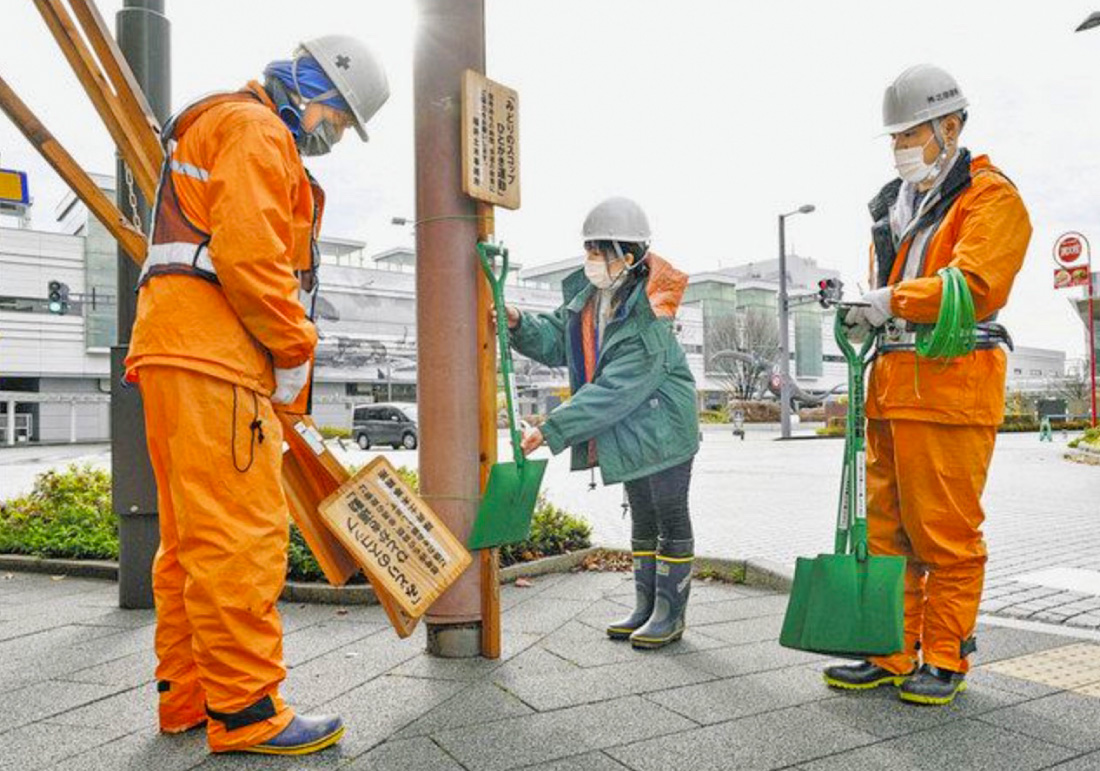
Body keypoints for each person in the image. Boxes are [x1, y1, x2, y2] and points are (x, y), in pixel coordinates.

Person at [125, 36, 389, 754]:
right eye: (339, 118)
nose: (335, 135)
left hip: (173, 351)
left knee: (190, 541)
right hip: (219, 360)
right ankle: (246, 710)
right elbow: (252, 260)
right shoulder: (257, 130)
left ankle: (190, 696)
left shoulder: (218, 122)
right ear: (312, 87)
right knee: (240, 538)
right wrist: (297, 346)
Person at [823, 64, 1031, 705]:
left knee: (944, 533)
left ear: (950, 127)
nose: (899, 147)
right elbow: (894, 290)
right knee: (887, 531)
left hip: (948, 387)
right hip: (893, 386)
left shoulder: (990, 197)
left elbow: (976, 284)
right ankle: (889, 649)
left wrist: (890, 301)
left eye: (909, 133)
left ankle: (944, 656)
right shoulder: (895, 204)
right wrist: (869, 310)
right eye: (894, 137)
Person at [497, 197, 700, 649]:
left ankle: (670, 614)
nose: (590, 258)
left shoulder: (651, 315)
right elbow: (556, 338)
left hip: (666, 431)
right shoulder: (593, 298)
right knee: (642, 515)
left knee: (669, 512)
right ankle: (646, 608)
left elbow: (613, 389)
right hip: (632, 430)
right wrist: (518, 322)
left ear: (628, 256)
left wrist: (550, 429)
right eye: (587, 248)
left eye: (598, 250)